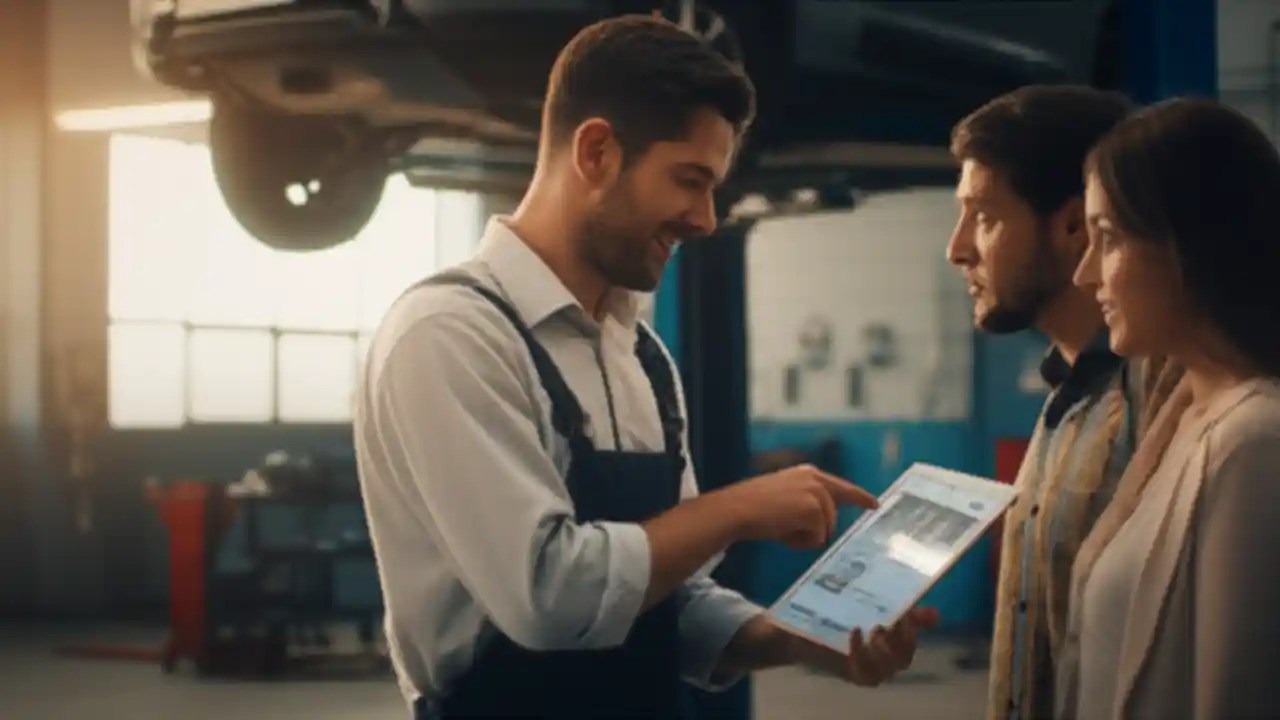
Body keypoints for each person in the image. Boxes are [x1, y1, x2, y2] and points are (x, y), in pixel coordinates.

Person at [354, 15, 936, 719]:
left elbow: (668, 598)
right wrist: (739, 508)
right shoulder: (451, 336)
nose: (706, 218)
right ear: (597, 152)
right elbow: (549, 598)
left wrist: (806, 638)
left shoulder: (642, 358)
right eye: (690, 180)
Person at [945, 85, 1183, 720]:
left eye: (985, 217)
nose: (957, 248)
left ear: (1075, 224)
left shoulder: (1169, 394)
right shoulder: (1065, 398)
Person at [1056, 98, 1280, 720]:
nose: (1085, 273)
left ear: (1189, 242)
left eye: (1108, 239)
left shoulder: (1254, 442)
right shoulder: (1180, 414)